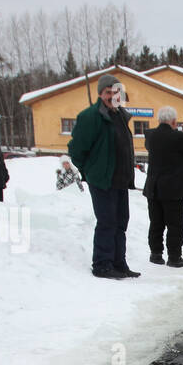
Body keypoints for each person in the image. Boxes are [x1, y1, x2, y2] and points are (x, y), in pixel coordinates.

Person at [68, 72, 139, 279]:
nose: (112, 95)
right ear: (100, 94)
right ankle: (102, 265)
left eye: (116, 91)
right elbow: (76, 150)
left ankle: (119, 263)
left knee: (121, 222)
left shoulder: (120, 115)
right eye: (108, 92)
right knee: (107, 221)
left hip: (120, 180)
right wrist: (89, 171)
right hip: (102, 180)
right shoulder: (90, 117)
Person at [143, 105, 183, 266]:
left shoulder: (150, 136)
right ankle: (174, 257)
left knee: (156, 222)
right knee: (175, 224)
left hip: (153, 187)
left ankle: (155, 254)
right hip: (173, 188)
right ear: (174, 121)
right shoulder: (178, 137)